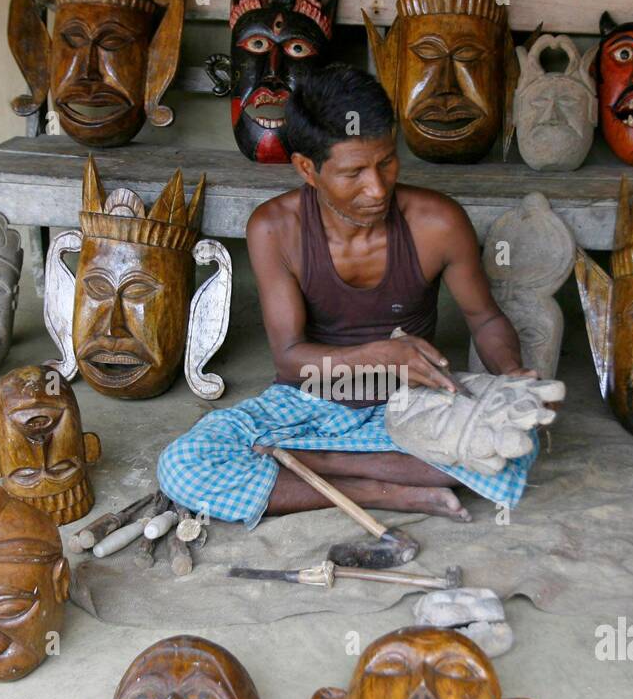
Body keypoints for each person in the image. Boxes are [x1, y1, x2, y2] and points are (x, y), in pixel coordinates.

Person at [158, 64, 541, 528]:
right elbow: (290, 361)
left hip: (411, 403)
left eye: (386, 163)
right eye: (354, 172)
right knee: (181, 465)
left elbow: (484, 319)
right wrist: (383, 354)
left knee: (512, 443)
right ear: (307, 168)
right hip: (308, 402)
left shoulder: (437, 221)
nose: (377, 189)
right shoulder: (275, 229)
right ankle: (382, 490)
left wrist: (511, 377)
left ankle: (312, 464)